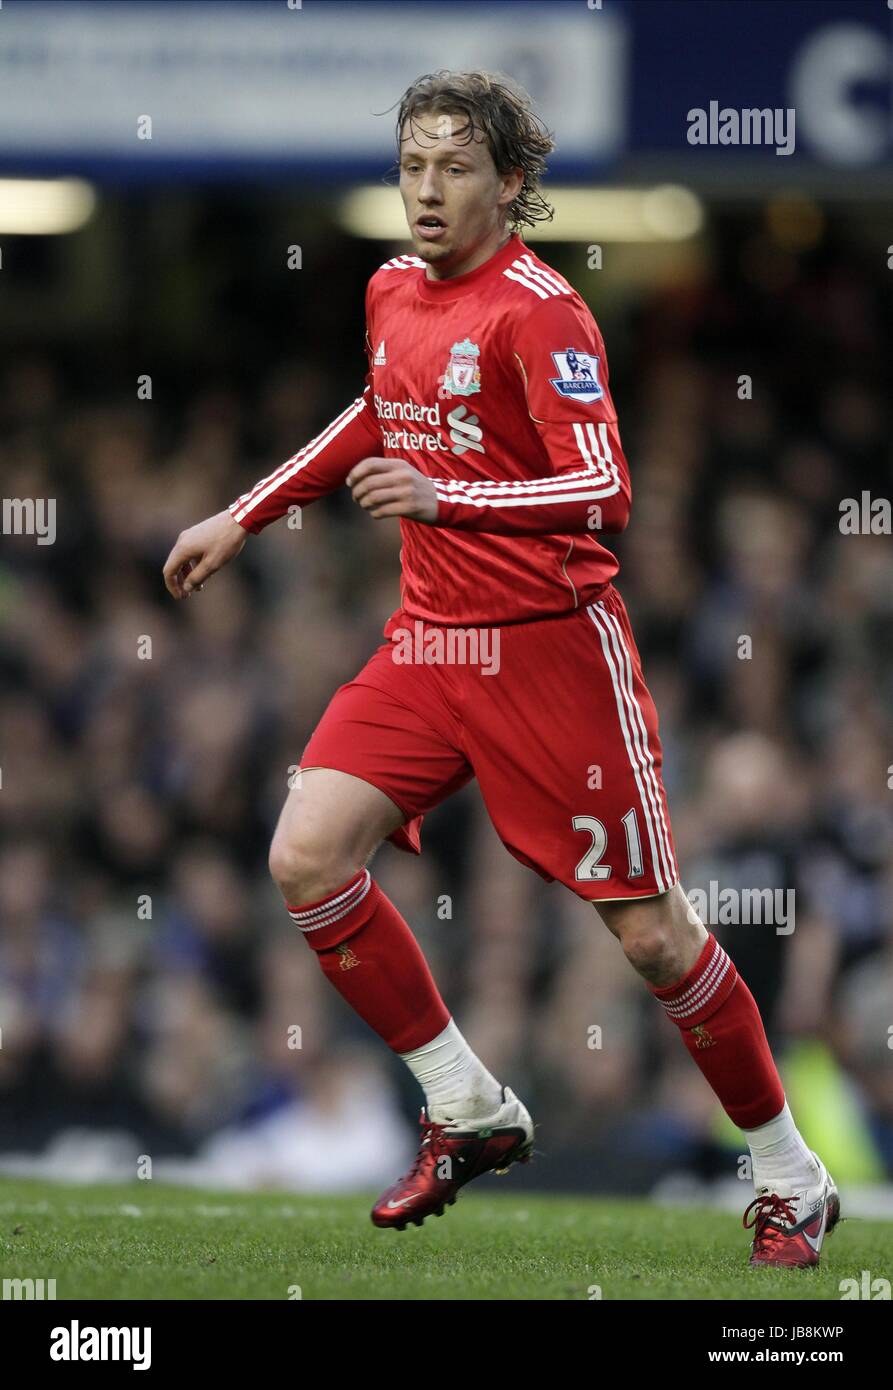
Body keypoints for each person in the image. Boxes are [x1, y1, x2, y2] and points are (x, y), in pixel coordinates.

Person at [163, 69, 838, 1266]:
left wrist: (446, 497)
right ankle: (467, 1103)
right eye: (412, 166)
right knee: (304, 853)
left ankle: (789, 1170)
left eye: (454, 168)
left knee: (653, 938)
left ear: (510, 184)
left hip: (549, 654)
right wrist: (244, 511)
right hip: (429, 645)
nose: (426, 190)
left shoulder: (541, 314)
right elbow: (372, 412)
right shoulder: (387, 288)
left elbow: (604, 490)